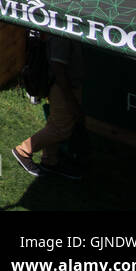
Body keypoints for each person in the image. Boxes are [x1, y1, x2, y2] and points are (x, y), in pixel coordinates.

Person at [13, 34, 85, 178]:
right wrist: (69, 96)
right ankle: (23, 150)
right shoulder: (63, 34)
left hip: (67, 86)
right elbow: (57, 66)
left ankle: (50, 160)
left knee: (57, 124)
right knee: (60, 129)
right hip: (63, 87)